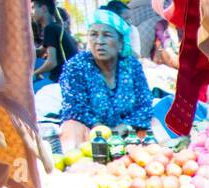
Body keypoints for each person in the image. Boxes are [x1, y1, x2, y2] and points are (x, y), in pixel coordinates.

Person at [57, 9, 152, 152]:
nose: (99, 42)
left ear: (120, 42)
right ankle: (74, 167)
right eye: (94, 35)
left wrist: (124, 128)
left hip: (128, 131)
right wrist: (99, 129)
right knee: (71, 126)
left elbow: (144, 106)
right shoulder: (76, 65)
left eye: (106, 35)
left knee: (152, 126)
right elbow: (74, 108)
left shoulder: (131, 65)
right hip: (90, 131)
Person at [32, 0, 78, 86]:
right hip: (68, 75)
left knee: (32, 89)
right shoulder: (56, 27)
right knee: (37, 61)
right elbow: (41, 51)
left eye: (33, 8)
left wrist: (35, 73)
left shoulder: (49, 29)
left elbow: (52, 62)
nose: (32, 12)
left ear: (44, 9)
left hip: (61, 78)